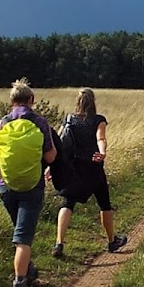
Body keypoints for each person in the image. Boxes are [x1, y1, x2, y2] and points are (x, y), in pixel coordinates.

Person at [0, 78, 56, 287]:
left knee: (19, 231)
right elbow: (51, 157)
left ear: (11, 101)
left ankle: (27, 269)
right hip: (33, 186)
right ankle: (19, 286)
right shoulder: (40, 122)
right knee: (24, 238)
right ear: (31, 100)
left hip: (5, 187)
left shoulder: (1, 124)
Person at [51, 87, 127, 258]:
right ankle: (111, 241)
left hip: (74, 168)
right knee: (104, 203)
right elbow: (101, 138)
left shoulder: (69, 119)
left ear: (78, 102)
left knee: (67, 202)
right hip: (93, 167)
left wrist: (52, 167)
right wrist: (102, 153)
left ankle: (59, 243)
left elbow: (62, 143)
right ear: (93, 102)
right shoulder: (98, 120)